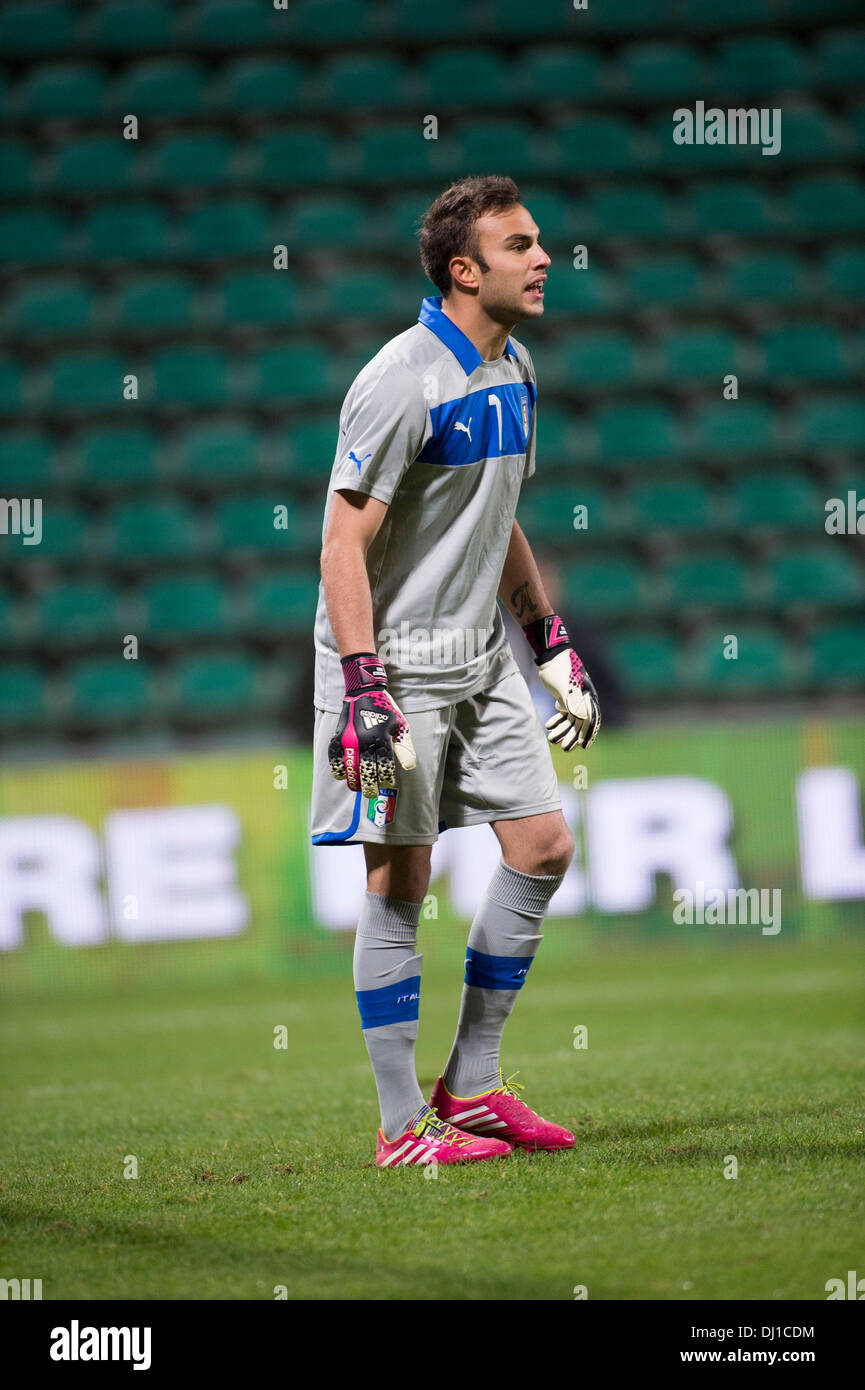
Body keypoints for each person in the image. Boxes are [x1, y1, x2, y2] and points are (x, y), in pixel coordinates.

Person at [310, 176, 601, 1169]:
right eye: (520, 245)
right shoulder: (399, 379)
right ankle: (401, 1129)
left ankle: (470, 1088)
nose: (543, 257)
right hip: (390, 670)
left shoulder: (515, 367)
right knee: (400, 878)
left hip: (478, 657)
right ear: (464, 269)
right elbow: (341, 544)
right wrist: (361, 685)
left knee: (544, 843)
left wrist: (547, 640)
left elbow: (496, 512)